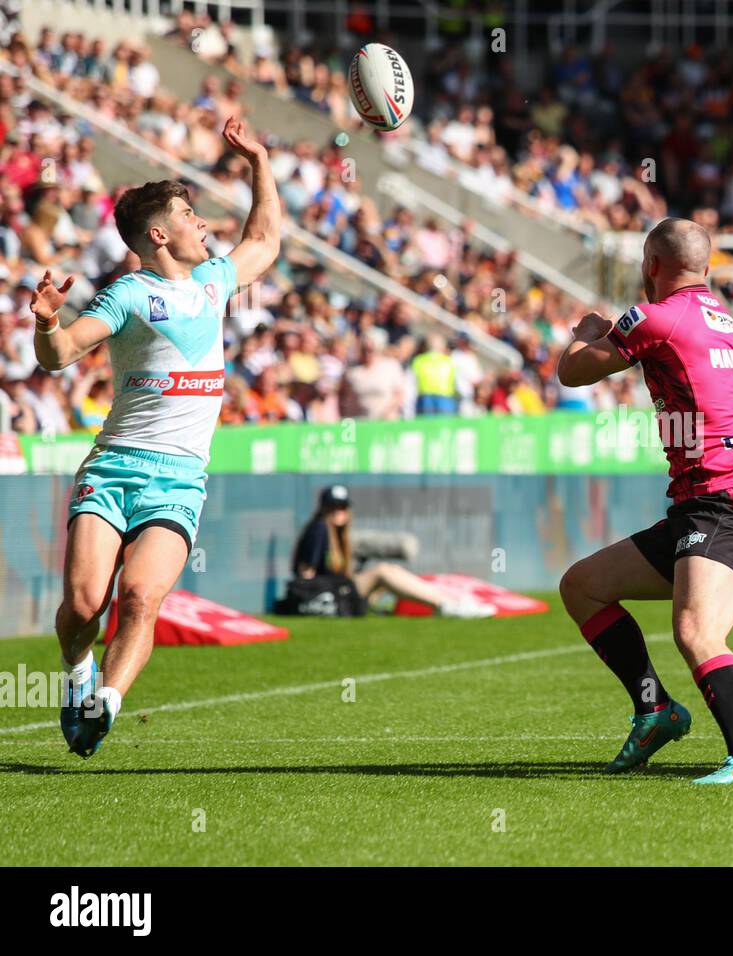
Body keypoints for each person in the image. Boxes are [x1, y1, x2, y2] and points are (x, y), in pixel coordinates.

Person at [32, 117, 281, 759]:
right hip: (114, 467)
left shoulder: (214, 282)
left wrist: (258, 160)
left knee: (141, 596)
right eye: (189, 213)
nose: (204, 223)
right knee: (85, 604)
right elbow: (59, 355)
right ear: (159, 233)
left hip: (179, 477)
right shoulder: (128, 295)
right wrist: (46, 322)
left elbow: (267, 238)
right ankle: (77, 671)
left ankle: (103, 705)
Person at [556, 218, 733, 785]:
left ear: (651, 267)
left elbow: (572, 373)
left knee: (694, 630)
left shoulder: (654, 317)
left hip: (720, 504)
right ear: (708, 270)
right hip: (723, 504)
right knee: (582, 586)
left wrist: (587, 332)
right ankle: (654, 708)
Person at [291, 485, 494, 619]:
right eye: (333, 508)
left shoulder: (336, 534)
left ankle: (450, 602)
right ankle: (445, 605)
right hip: (327, 594)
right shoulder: (319, 528)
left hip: (340, 591)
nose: (339, 513)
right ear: (324, 509)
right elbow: (306, 574)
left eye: (342, 507)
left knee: (390, 571)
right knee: (382, 571)